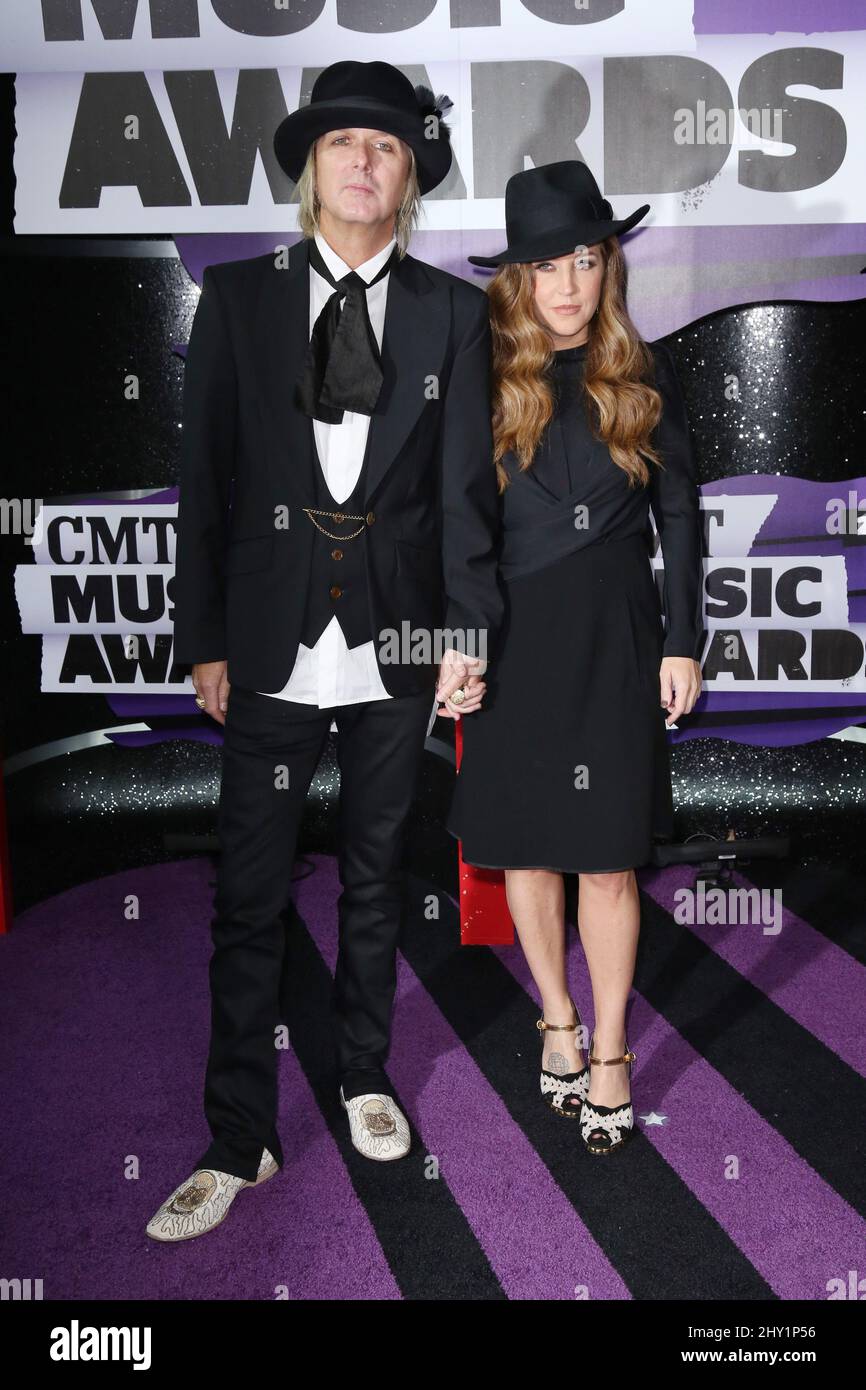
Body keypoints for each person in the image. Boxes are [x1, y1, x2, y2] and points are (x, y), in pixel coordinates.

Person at [146, 60, 502, 1241]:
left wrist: (461, 633)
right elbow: (205, 490)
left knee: (374, 880)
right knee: (247, 895)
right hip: (269, 639)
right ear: (313, 169)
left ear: (407, 180)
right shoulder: (240, 300)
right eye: (343, 143)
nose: (363, 162)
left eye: (387, 148)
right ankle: (236, 1133)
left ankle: (360, 1074)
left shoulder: (455, 313)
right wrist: (203, 639)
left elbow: (463, 501)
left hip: (396, 637)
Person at [447, 161, 704, 1156]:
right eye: (545, 264)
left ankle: (607, 1053)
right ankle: (553, 1014)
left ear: (607, 267)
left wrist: (681, 637)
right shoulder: (478, 375)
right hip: (513, 642)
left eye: (584, 259)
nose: (566, 283)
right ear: (516, 278)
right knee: (523, 843)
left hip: (615, 638)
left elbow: (678, 510)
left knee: (605, 858)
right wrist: (457, 640)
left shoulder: (643, 371)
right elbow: (456, 526)